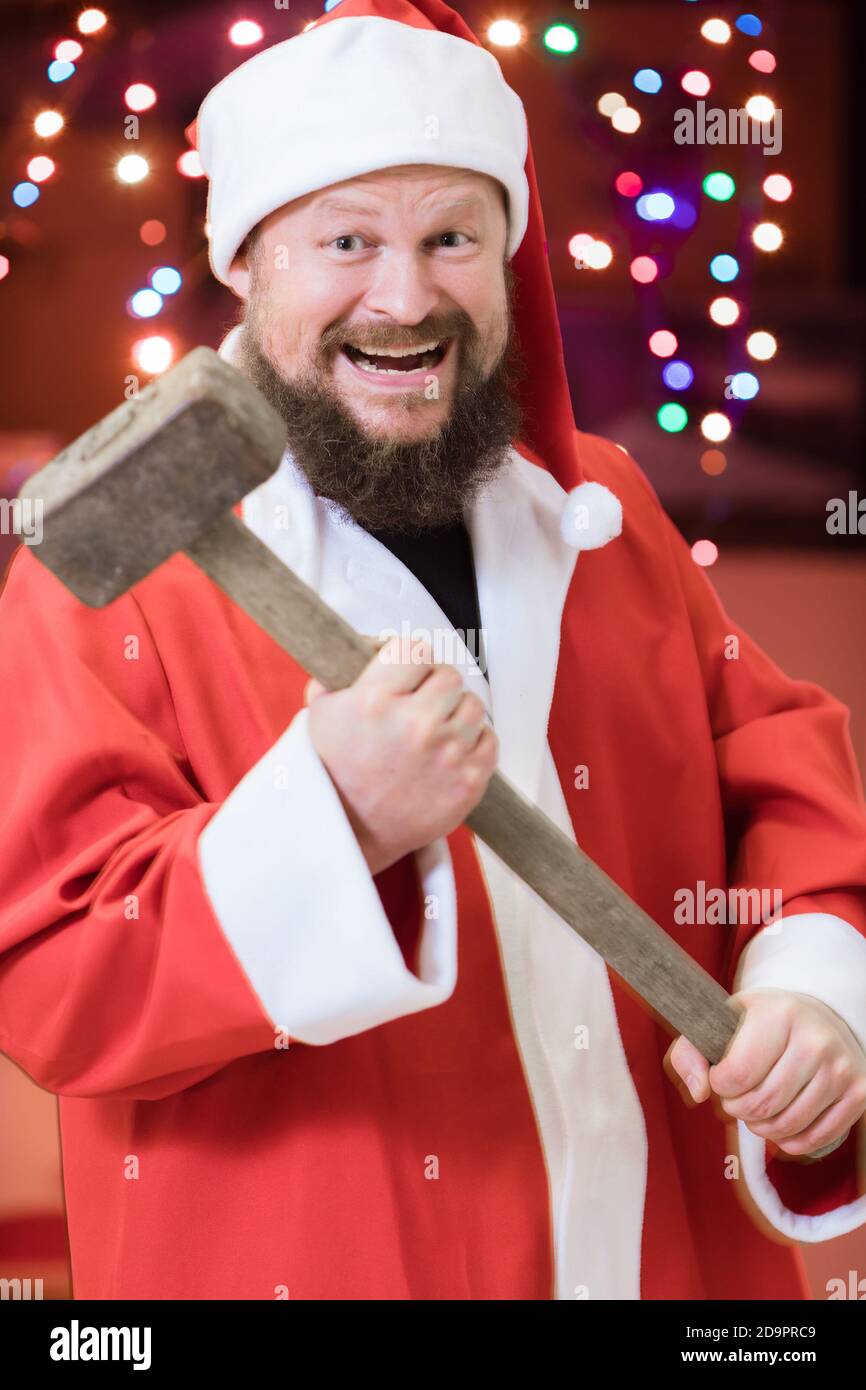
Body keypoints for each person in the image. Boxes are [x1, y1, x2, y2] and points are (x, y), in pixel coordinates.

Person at [1, 0, 865, 1301]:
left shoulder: (604, 512)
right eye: (345, 240)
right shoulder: (109, 578)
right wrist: (334, 817)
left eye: (449, 237)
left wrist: (806, 983)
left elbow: (776, 766)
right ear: (246, 261)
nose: (404, 299)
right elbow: (55, 972)